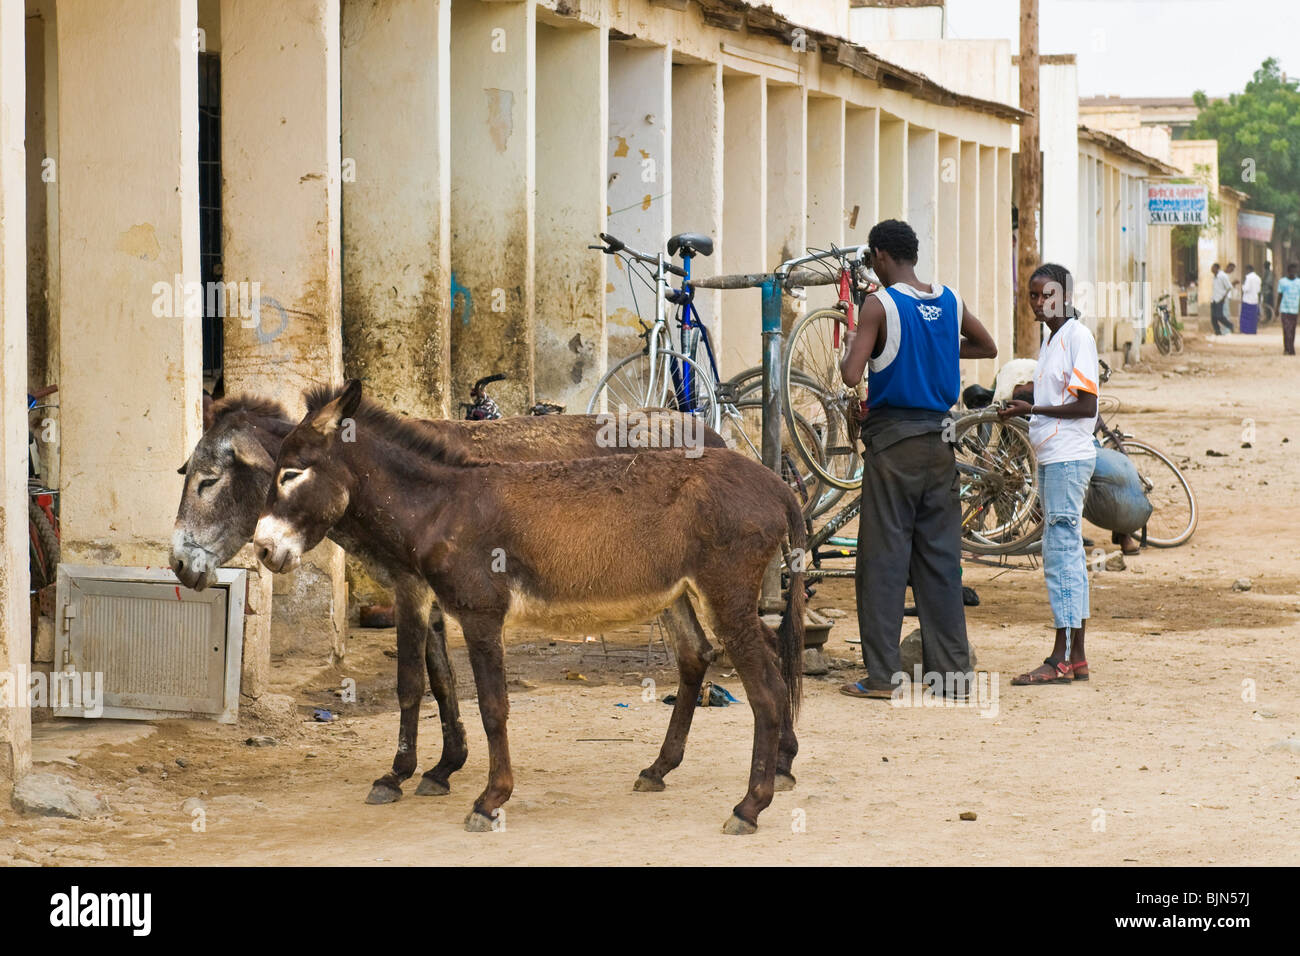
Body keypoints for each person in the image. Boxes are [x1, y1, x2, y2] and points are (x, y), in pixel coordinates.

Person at [837, 219, 998, 700]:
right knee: (941, 562)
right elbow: (987, 347)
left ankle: (883, 677)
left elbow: (850, 375)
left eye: (872, 259)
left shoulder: (879, 304)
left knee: (883, 562)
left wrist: (853, 336)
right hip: (942, 442)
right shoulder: (949, 299)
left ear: (882, 256)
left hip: (894, 443)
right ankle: (953, 676)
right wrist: (942, 348)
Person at [999, 264, 1098, 685]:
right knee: (1068, 553)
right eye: (1033, 295)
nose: (1039, 303)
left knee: (1060, 555)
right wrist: (1026, 398)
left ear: (1065, 295)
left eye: (1047, 295)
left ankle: (1059, 658)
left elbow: (1086, 406)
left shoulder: (1077, 336)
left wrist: (1033, 410)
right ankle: (1075, 656)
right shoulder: (1052, 339)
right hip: (1056, 457)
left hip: (1067, 459)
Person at [1275, 262, 1300, 356]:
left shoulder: (1299, 282)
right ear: (1288, 271)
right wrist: (1277, 308)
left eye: (1295, 270)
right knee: (1286, 329)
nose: (1293, 272)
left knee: (1292, 329)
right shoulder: (1282, 281)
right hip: (1285, 309)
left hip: (1294, 309)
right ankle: (1287, 348)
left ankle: (1291, 348)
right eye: (1291, 270)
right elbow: (1280, 295)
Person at [1210, 262, 1235, 335]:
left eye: (1213, 268)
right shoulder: (1215, 276)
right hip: (1214, 299)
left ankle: (1230, 325)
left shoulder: (1223, 276)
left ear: (1217, 268)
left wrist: (1223, 298)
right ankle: (1217, 331)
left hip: (1220, 299)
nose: (1212, 269)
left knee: (1219, 316)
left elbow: (1229, 287)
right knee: (1213, 318)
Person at [1239, 264, 1261, 335]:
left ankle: (1245, 330)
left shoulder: (1248, 278)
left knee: (1245, 316)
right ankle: (1252, 330)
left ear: (1248, 270)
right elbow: (1258, 289)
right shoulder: (1258, 278)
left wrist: (1242, 286)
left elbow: (1246, 289)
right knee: (1253, 317)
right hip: (1254, 299)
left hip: (1247, 299)